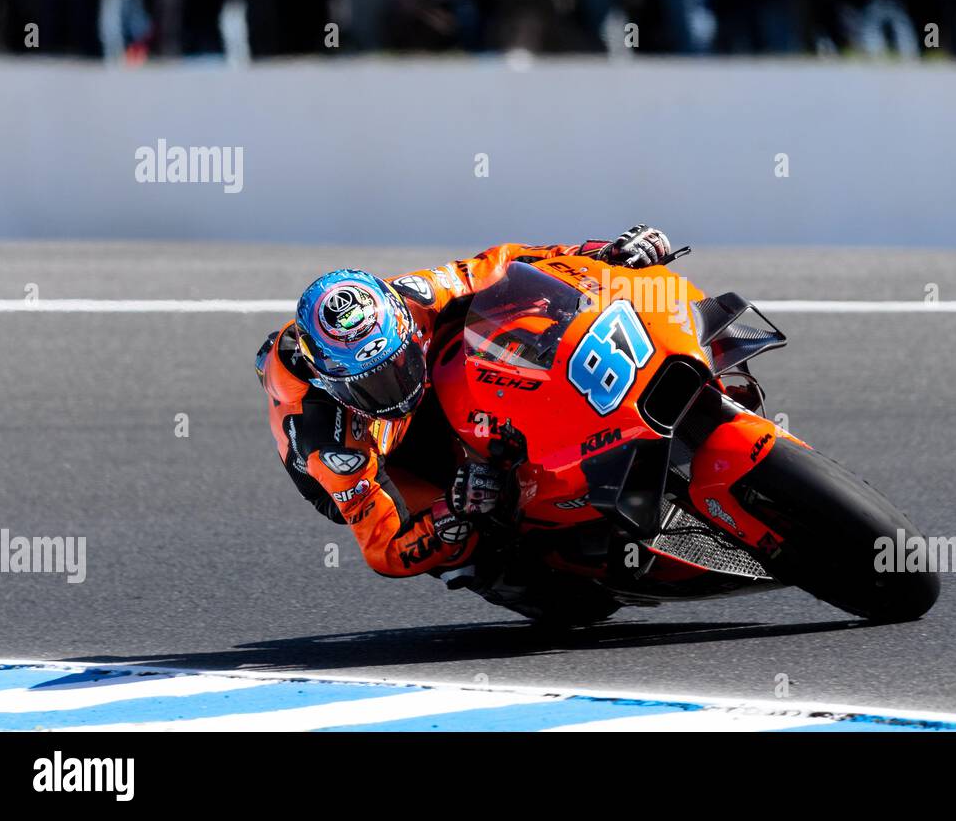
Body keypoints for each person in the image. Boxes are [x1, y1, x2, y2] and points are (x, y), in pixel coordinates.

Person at [254, 226, 672, 580]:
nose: (396, 386)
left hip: (422, 380)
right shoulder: (329, 442)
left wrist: (601, 253)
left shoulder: (411, 298)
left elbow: (502, 264)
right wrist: (451, 511)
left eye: (398, 363)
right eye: (373, 383)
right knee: (477, 517)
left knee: (494, 320)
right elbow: (385, 551)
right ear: (331, 383)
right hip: (381, 460)